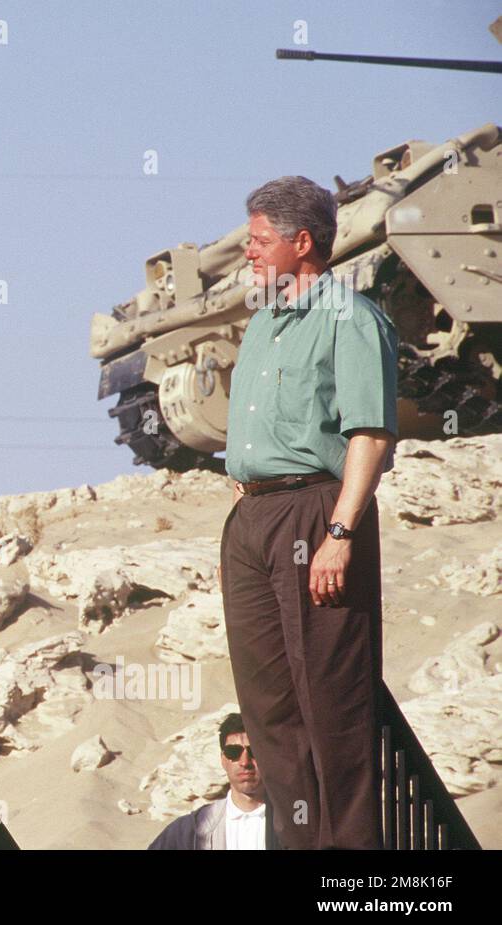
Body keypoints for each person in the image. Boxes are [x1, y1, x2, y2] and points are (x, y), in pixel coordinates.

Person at [220, 176, 398, 850]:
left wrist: (341, 532)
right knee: (270, 712)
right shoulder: (262, 324)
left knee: (334, 707)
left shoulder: (350, 318)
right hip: (252, 522)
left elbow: (370, 435)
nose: (249, 253)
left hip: (317, 514)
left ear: (302, 242)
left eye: (260, 241)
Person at [148, 713, 267, 850]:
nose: (245, 762)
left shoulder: (292, 824)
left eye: (254, 752)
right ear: (223, 759)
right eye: (233, 752)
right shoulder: (190, 831)